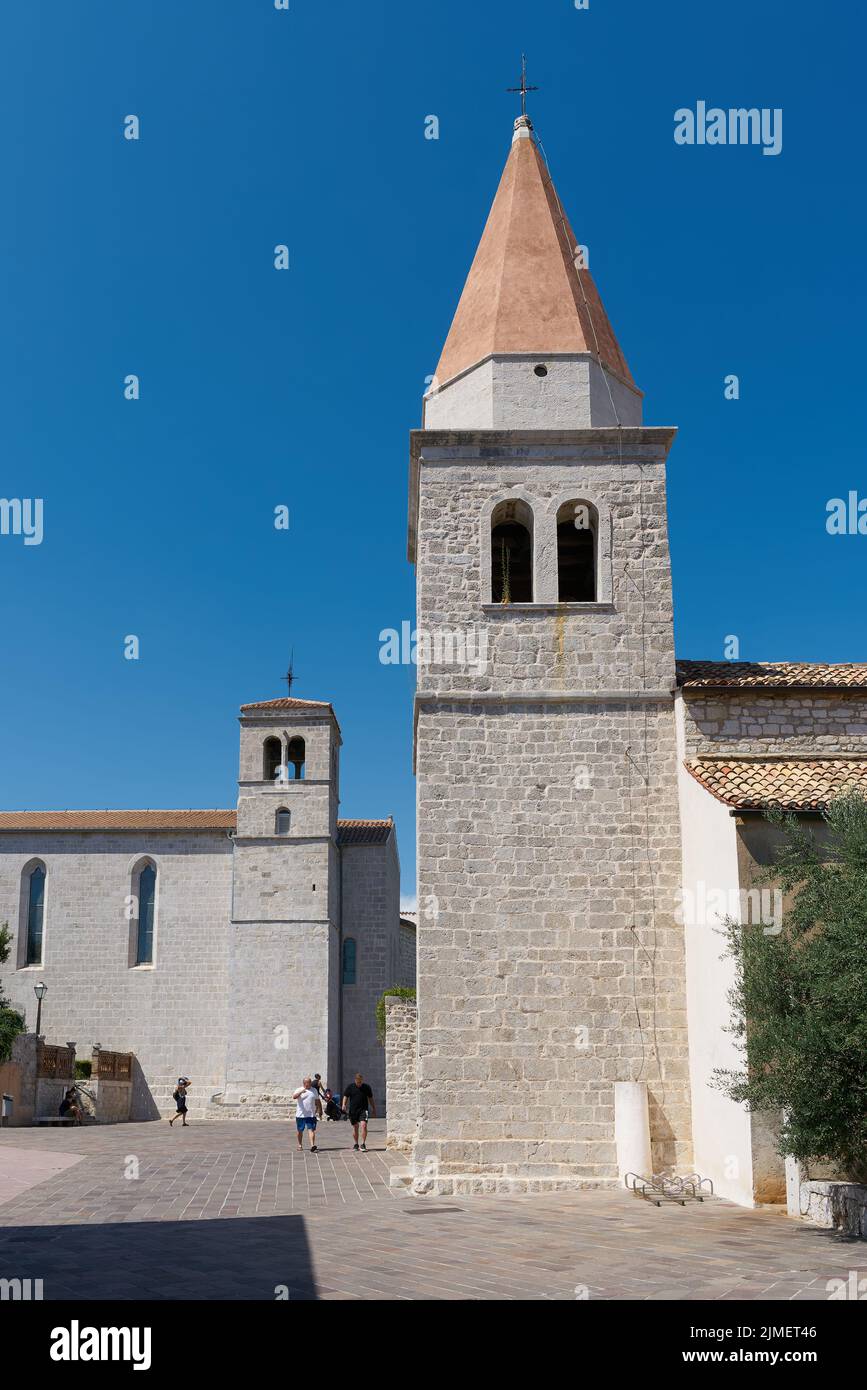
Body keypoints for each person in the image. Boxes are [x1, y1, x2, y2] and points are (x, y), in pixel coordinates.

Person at [342, 1072, 375, 1151]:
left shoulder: (367, 1087)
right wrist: (343, 1104)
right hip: (353, 1111)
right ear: (355, 1080)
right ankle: (356, 1144)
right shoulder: (350, 1087)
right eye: (358, 1082)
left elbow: (370, 1098)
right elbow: (345, 1096)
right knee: (355, 1127)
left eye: (360, 1082)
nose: (359, 1084)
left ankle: (363, 1144)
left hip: (363, 1110)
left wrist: (374, 1108)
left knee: (364, 1125)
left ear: (362, 1080)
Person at [292, 1076, 322, 1153]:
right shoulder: (299, 1089)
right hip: (301, 1115)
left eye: (310, 1082)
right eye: (307, 1082)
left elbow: (317, 1101)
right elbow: (294, 1097)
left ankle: (312, 1146)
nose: (309, 1084)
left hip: (311, 1114)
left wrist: (319, 1110)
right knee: (300, 1131)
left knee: (311, 1129)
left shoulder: (314, 1090)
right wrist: (301, 1092)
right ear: (304, 1083)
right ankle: (300, 1145)